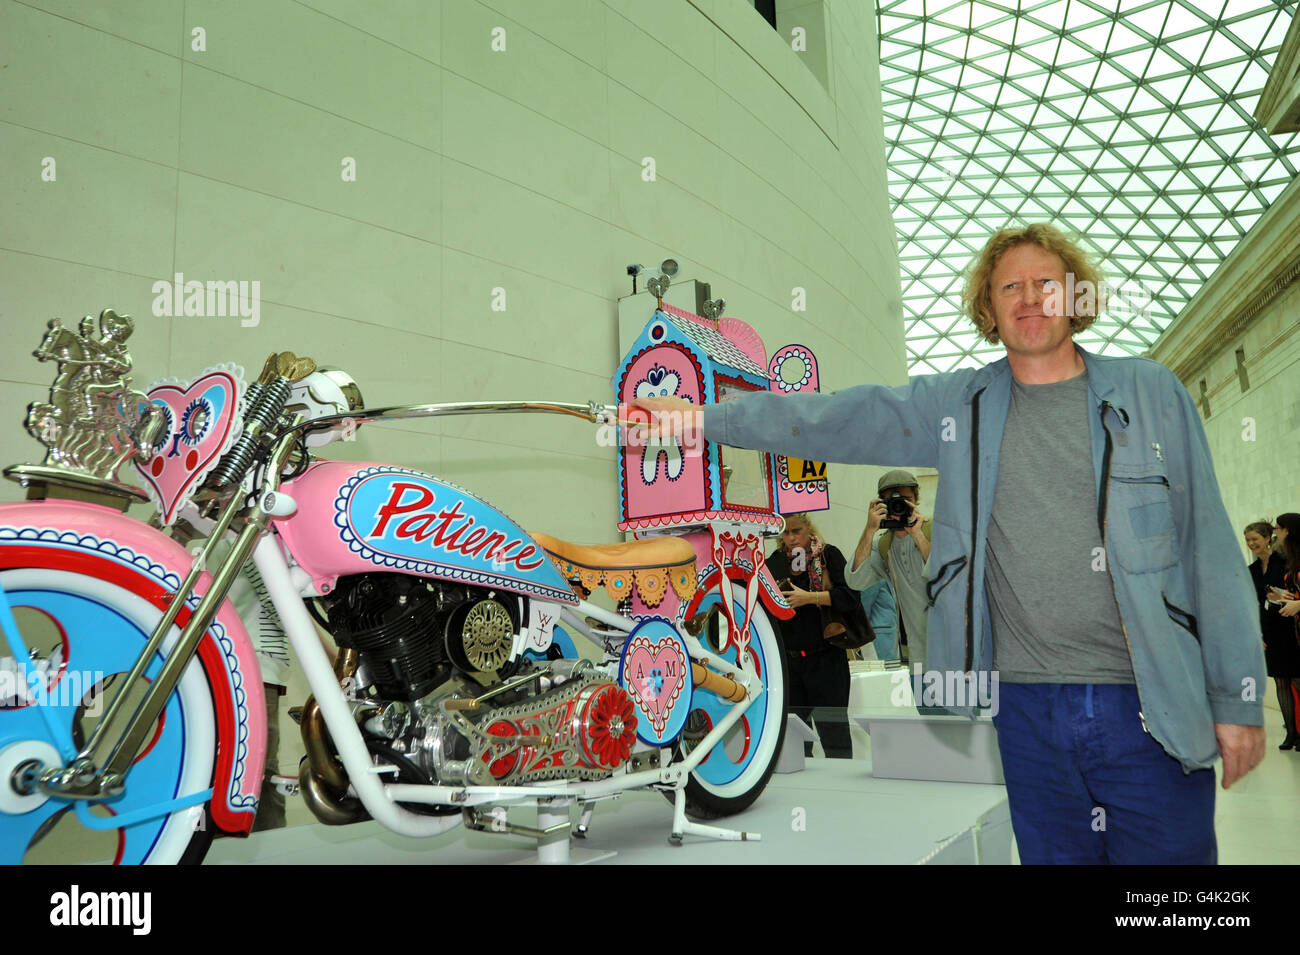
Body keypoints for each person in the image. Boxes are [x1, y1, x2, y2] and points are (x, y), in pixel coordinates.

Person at [632, 222, 1266, 865]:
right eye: (1009, 286)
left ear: (1076, 296)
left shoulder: (1149, 391)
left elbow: (1209, 550)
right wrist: (704, 418)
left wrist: (1237, 699)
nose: (1029, 297)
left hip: (1149, 702)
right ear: (988, 309)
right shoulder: (961, 405)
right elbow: (840, 417)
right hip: (1025, 708)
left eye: (1047, 282)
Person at [764, 513, 857, 758]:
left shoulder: (828, 555)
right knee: (796, 738)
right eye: (785, 532)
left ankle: (841, 789)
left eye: (796, 531)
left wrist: (810, 598)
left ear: (808, 527)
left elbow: (851, 598)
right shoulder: (775, 562)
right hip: (791, 663)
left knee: (834, 734)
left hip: (827, 659)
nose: (791, 538)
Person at [847, 470, 930, 670]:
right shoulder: (883, 544)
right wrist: (869, 529)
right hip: (916, 655)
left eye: (905, 499)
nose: (898, 506)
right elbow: (855, 580)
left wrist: (917, 534)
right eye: (890, 501)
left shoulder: (934, 530)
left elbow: (946, 575)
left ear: (916, 500)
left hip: (952, 649)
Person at [1245, 520, 1299, 749]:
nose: (1251, 544)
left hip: (1291, 626)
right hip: (1269, 629)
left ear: (1268, 538)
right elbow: (1252, 604)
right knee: (1280, 682)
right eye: (1248, 540)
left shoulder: (1286, 562)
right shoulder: (1252, 570)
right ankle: (1292, 734)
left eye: (1255, 539)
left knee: (1297, 679)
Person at [859, 577, 899, 663]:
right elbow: (863, 609)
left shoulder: (884, 576)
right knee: (881, 672)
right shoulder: (874, 577)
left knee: (889, 671)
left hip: (887, 634)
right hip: (878, 637)